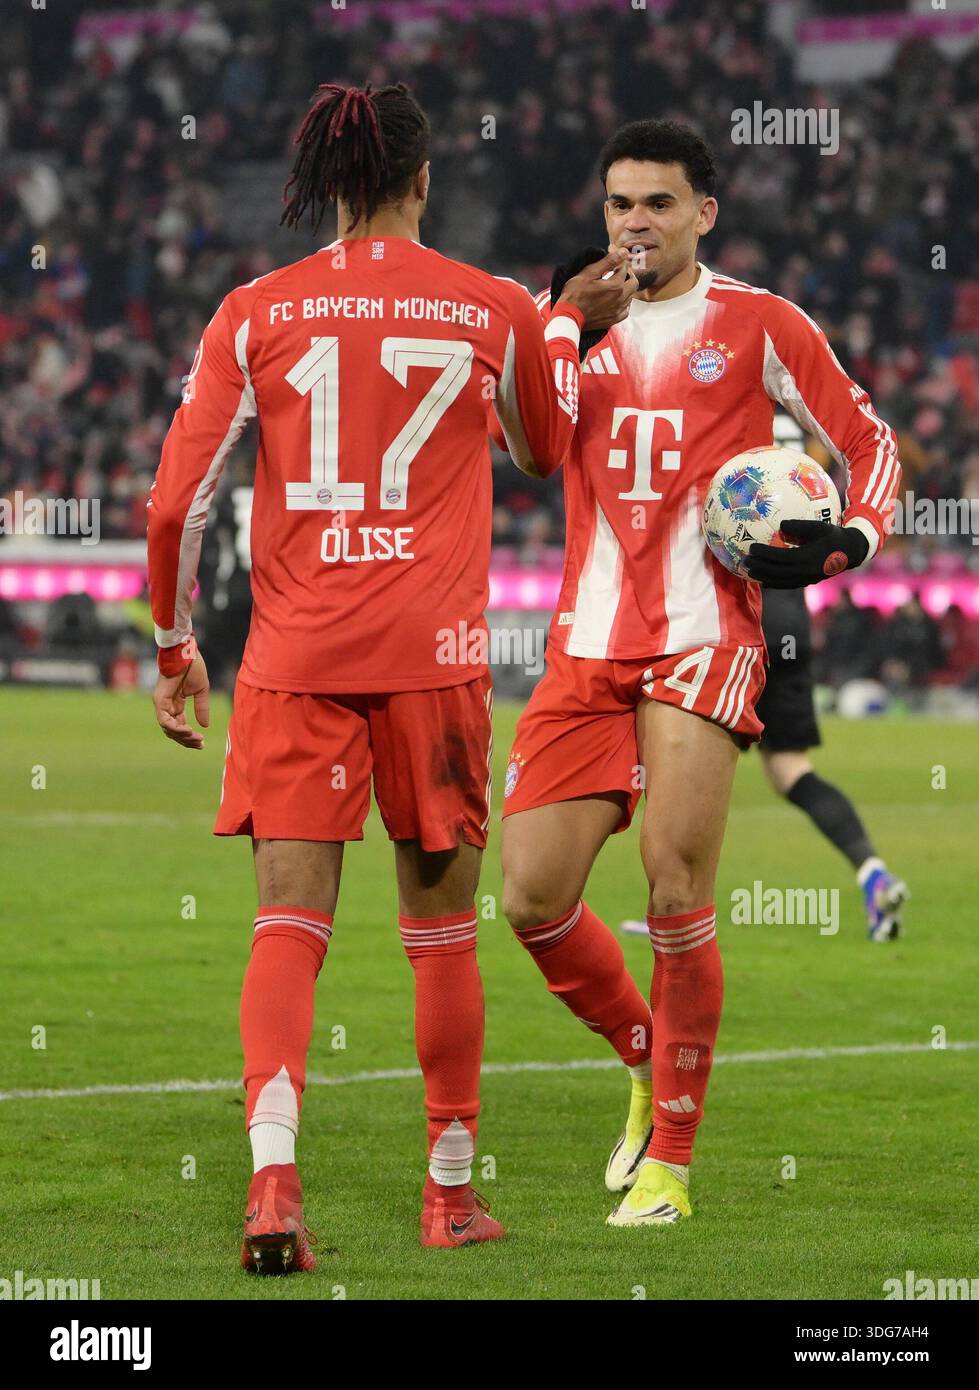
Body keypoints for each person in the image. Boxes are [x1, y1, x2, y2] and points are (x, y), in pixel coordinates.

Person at [146, 82, 636, 1271]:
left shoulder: (254, 312)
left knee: (286, 925)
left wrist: (173, 645)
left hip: (293, 659)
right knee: (439, 934)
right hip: (435, 662)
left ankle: (271, 1183)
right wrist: (562, 320)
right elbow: (542, 446)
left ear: (327, 184)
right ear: (425, 180)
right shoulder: (484, 308)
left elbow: (175, 499)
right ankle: (449, 1194)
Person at [498, 118, 901, 1227]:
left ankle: (670, 1165)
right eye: (620, 203)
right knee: (530, 895)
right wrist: (559, 329)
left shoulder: (759, 323)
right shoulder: (569, 321)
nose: (636, 223)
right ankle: (642, 1056)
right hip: (584, 640)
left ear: (702, 214)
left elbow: (869, 445)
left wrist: (853, 539)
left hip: (701, 631)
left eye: (659, 203)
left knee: (675, 889)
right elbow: (531, 449)